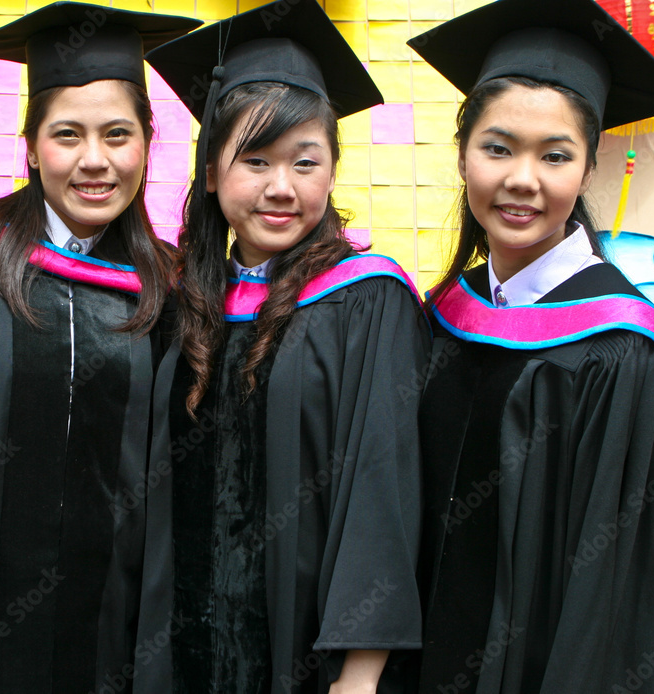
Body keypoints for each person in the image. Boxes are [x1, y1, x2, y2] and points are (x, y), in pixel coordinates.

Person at [0, 4, 201, 692]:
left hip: (109, 632)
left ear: (147, 141)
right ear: (28, 146)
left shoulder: (167, 289)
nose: (94, 161)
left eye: (118, 135)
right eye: (66, 135)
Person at [406, 1, 654, 692]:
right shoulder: (445, 314)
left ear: (589, 165)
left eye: (555, 155)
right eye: (498, 147)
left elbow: (616, 597)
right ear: (462, 154)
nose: (522, 179)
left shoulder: (621, 351)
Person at [137, 0, 430, 691]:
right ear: (211, 173)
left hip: (306, 658)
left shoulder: (369, 300)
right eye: (255, 160)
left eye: (305, 162)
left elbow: (381, 493)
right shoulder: (183, 305)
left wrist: (358, 675)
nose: (281, 188)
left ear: (331, 173)